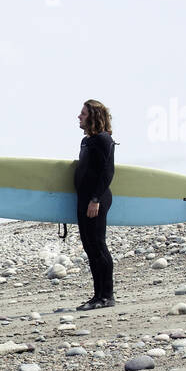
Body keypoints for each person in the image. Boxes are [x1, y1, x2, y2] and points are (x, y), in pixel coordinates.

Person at [73, 100, 117, 310]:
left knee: (99, 246)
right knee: (89, 247)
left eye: (82, 114)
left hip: (96, 200)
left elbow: (107, 172)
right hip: (84, 199)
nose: (79, 117)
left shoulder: (103, 139)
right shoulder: (87, 141)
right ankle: (97, 296)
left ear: (93, 116)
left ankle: (107, 296)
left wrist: (95, 199)